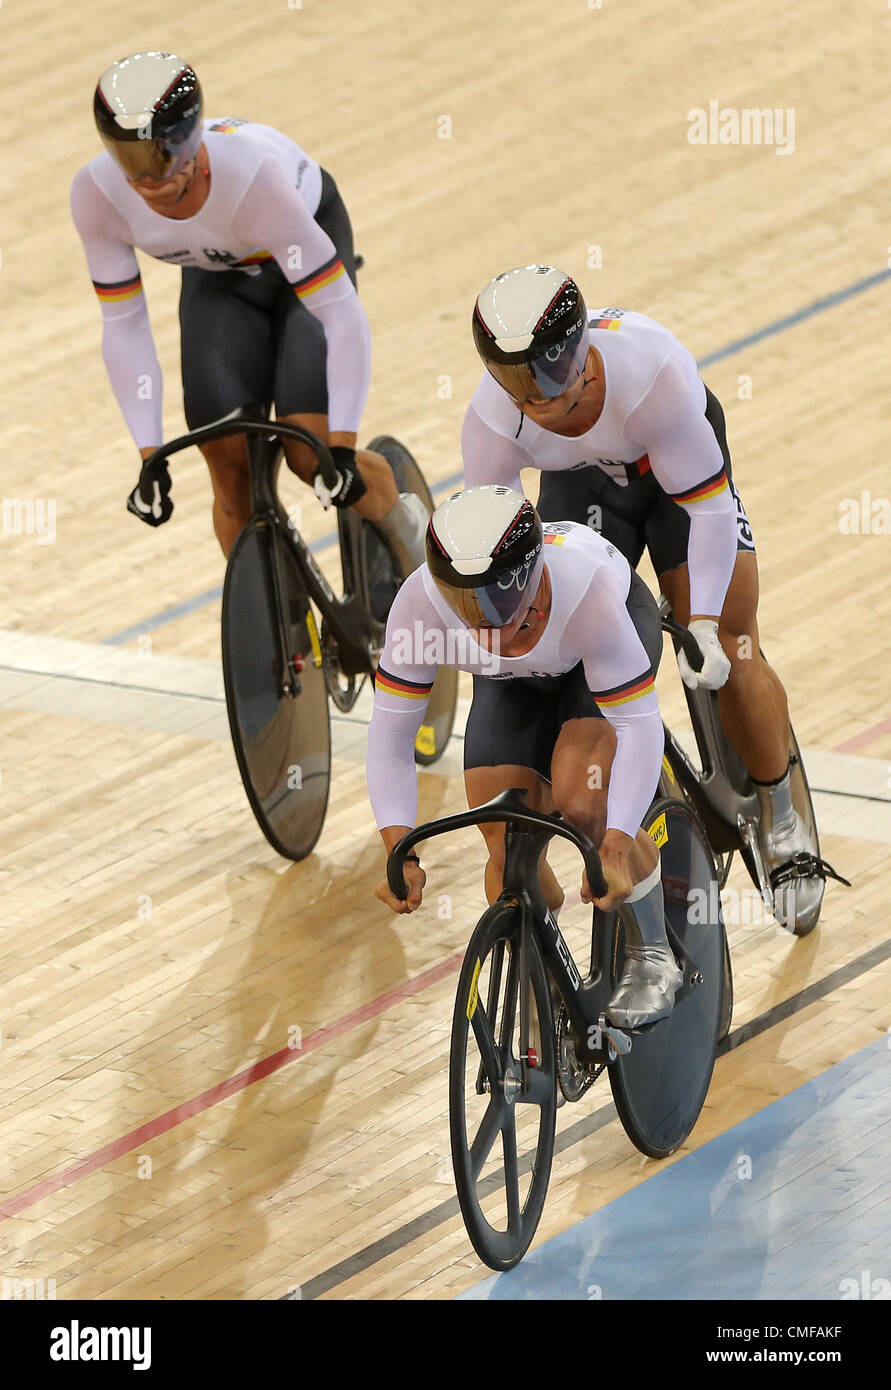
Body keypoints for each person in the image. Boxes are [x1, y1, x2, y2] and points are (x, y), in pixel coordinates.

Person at [464, 264, 824, 931]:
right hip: (585, 491)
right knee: (569, 651)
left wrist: (708, 625)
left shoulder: (648, 371)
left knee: (731, 646)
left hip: (674, 482)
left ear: (577, 356)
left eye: (537, 375)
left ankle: (782, 812)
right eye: (508, 379)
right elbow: (500, 550)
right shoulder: (493, 417)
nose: (526, 397)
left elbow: (710, 515)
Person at [71, 50, 425, 568]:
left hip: (302, 262)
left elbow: (340, 315)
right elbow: (123, 325)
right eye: (131, 160)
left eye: (161, 156)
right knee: (228, 468)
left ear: (192, 140)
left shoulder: (253, 177)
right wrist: (149, 453)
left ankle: (417, 547)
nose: (148, 179)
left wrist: (343, 448)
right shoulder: (96, 193)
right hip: (221, 276)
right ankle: (275, 631)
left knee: (312, 452)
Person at [368, 484, 683, 1030]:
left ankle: (654, 953)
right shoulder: (420, 604)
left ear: (530, 580)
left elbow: (636, 723)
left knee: (584, 800)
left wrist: (615, 841)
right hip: (510, 684)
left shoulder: (583, 594)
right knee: (505, 837)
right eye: (464, 604)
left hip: (592, 660)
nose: (481, 620)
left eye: (494, 600)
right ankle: (539, 970)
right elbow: (391, 734)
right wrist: (399, 850)